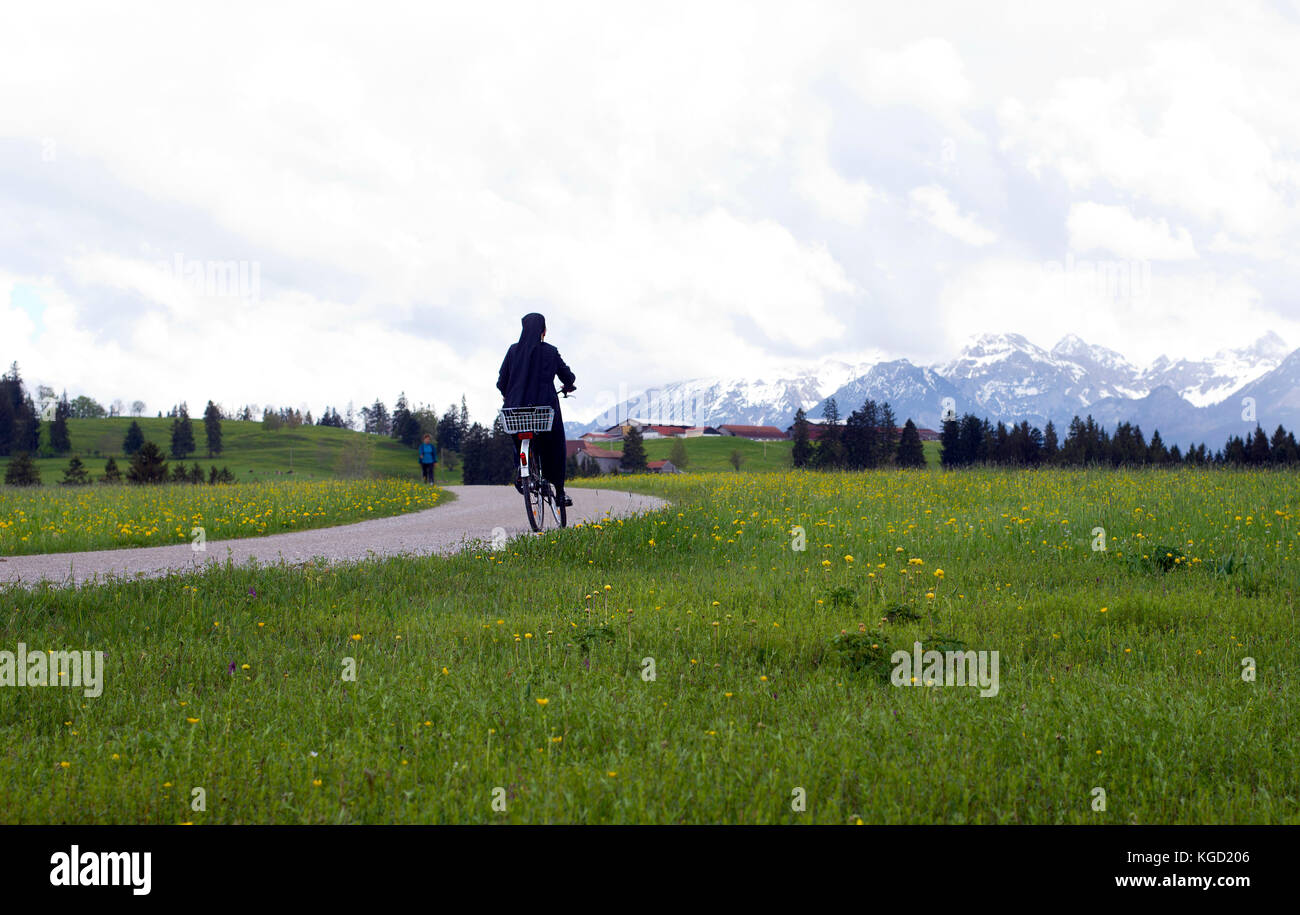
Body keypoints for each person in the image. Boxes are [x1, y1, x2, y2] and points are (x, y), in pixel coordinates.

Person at [497, 312, 576, 506]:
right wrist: (568, 385)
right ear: (544, 331)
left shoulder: (513, 351)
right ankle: (559, 492)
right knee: (556, 445)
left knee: (518, 434)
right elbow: (567, 376)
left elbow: (501, 382)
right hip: (544, 408)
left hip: (516, 409)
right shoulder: (550, 351)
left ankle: (521, 471)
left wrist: (510, 394)